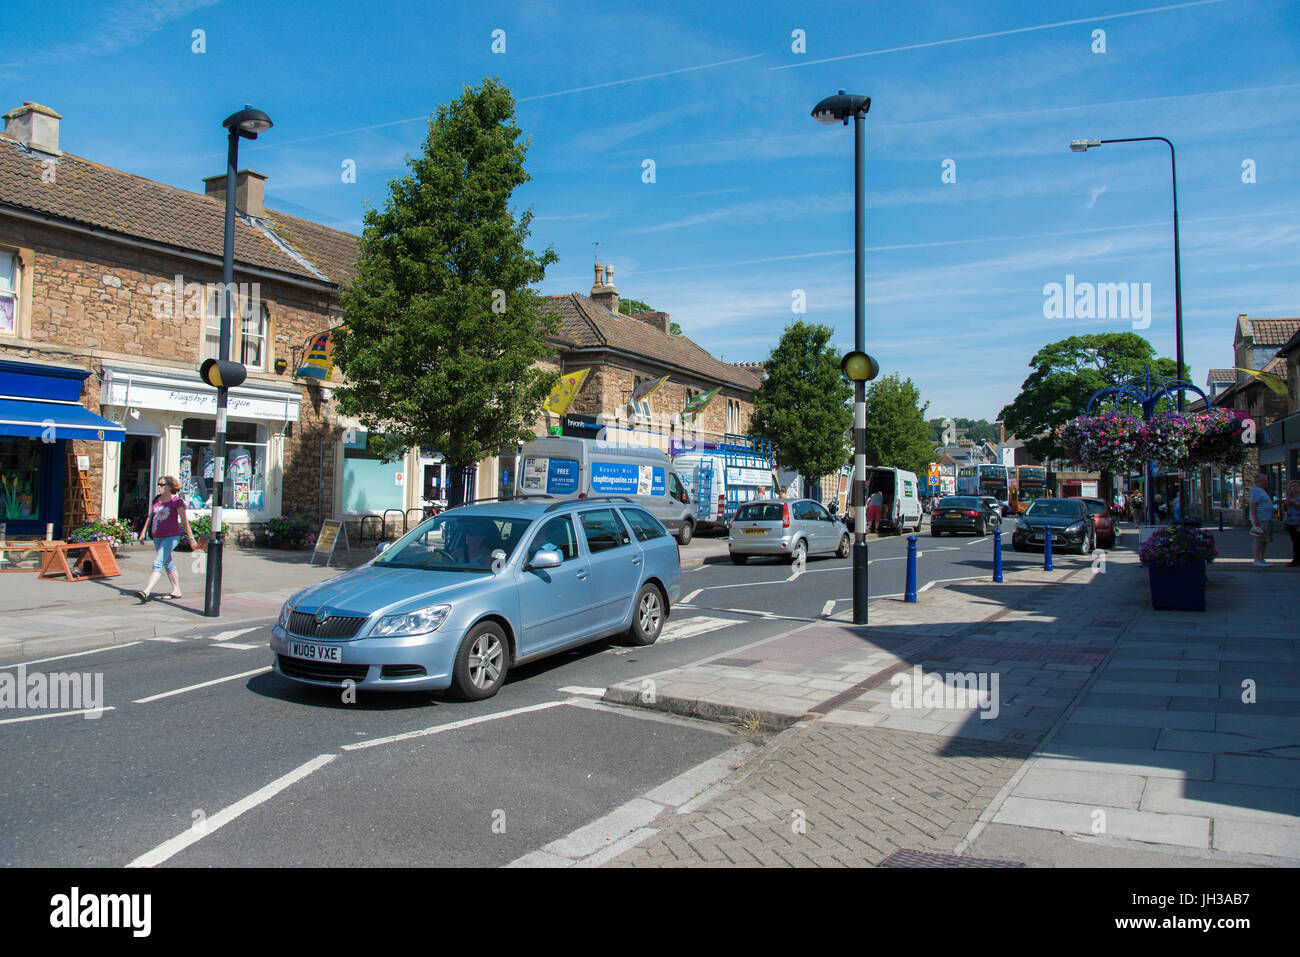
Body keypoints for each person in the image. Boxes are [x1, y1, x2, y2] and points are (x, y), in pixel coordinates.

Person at [135, 476, 200, 602]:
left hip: (171, 537)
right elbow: (150, 516)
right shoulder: (156, 500)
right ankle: (176, 590)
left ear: (169, 487)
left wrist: (191, 538)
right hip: (157, 537)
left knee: (158, 561)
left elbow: (185, 522)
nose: (159, 487)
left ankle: (146, 591)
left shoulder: (177, 502)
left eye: (161, 484)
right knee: (167, 562)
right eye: (158, 484)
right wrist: (143, 532)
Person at [1248, 472, 1274, 567]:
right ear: (1260, 481)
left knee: (1264, 539)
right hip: (1261, 519)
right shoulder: (1256, 490)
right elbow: (1253, 505)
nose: (1266, 482)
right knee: (1259, 539)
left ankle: (1261, 558)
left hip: (1266, 518)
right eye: (1265, 480)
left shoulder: (1261, 490)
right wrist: (1255, 519)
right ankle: (1257, 559)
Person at [1281, 480, 1300, 567]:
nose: (1294, 487)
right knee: (1295, 542)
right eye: (1292, 486)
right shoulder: (1289, 496)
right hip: (1291, 521)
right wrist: (1284, 505)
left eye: (1296, 485)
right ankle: (1295, 560)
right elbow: (1285, 509)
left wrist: (1294, 502)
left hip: (1299, 521)